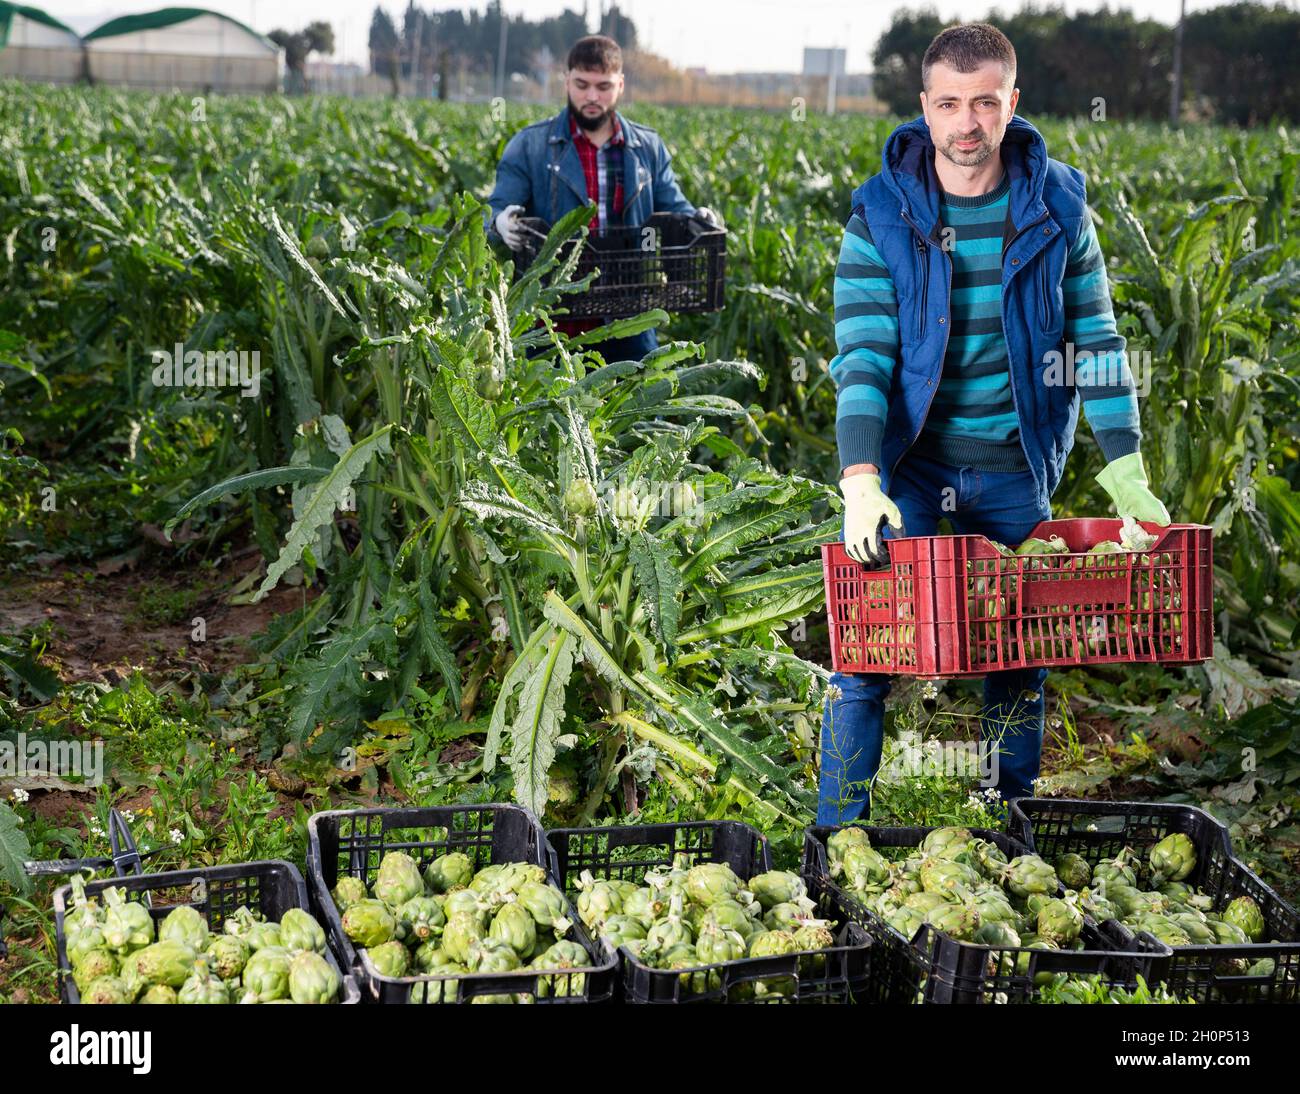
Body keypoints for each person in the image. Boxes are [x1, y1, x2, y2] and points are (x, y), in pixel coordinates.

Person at [819, 23, 1170, 824]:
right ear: (925, 108)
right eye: (949, 103)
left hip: (1013, 470)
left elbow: (1099, 347)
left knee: (1017, 657)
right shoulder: (880, 217)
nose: (967, 122)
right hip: (912, 471)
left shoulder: (1058, 211)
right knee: (864, 659)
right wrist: (862, 480)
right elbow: (864, 360)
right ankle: (838, 833)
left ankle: (1006, 820)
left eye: (984, 102)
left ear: (1012, 103)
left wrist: (1126, 470)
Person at [487, 34, 720, 361]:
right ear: (566, 82)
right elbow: (497, 208)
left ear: (620, 85)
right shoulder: (529, 146)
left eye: (603, 86)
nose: (592, 96)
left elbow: (674, 207)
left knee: (638, 404)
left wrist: (699, 218)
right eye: (582, 85)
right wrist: (499, 222)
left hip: (628, 314)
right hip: (551, 320)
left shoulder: (648, 148)